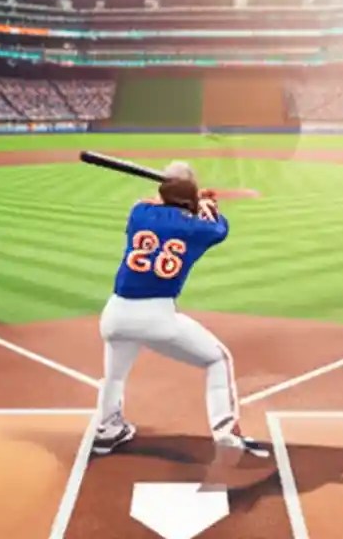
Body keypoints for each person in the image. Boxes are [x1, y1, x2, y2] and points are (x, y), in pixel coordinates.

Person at [93, 161, 270, 459]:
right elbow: (220, 226)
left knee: (115, 376)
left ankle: (107, 429)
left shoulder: (139, 213)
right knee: (217, 359)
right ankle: (226, 432)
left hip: (115, 315)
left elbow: (151, 203)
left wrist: (185, 196)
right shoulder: (198, 229)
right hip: (157, 317)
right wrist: (203, 203)